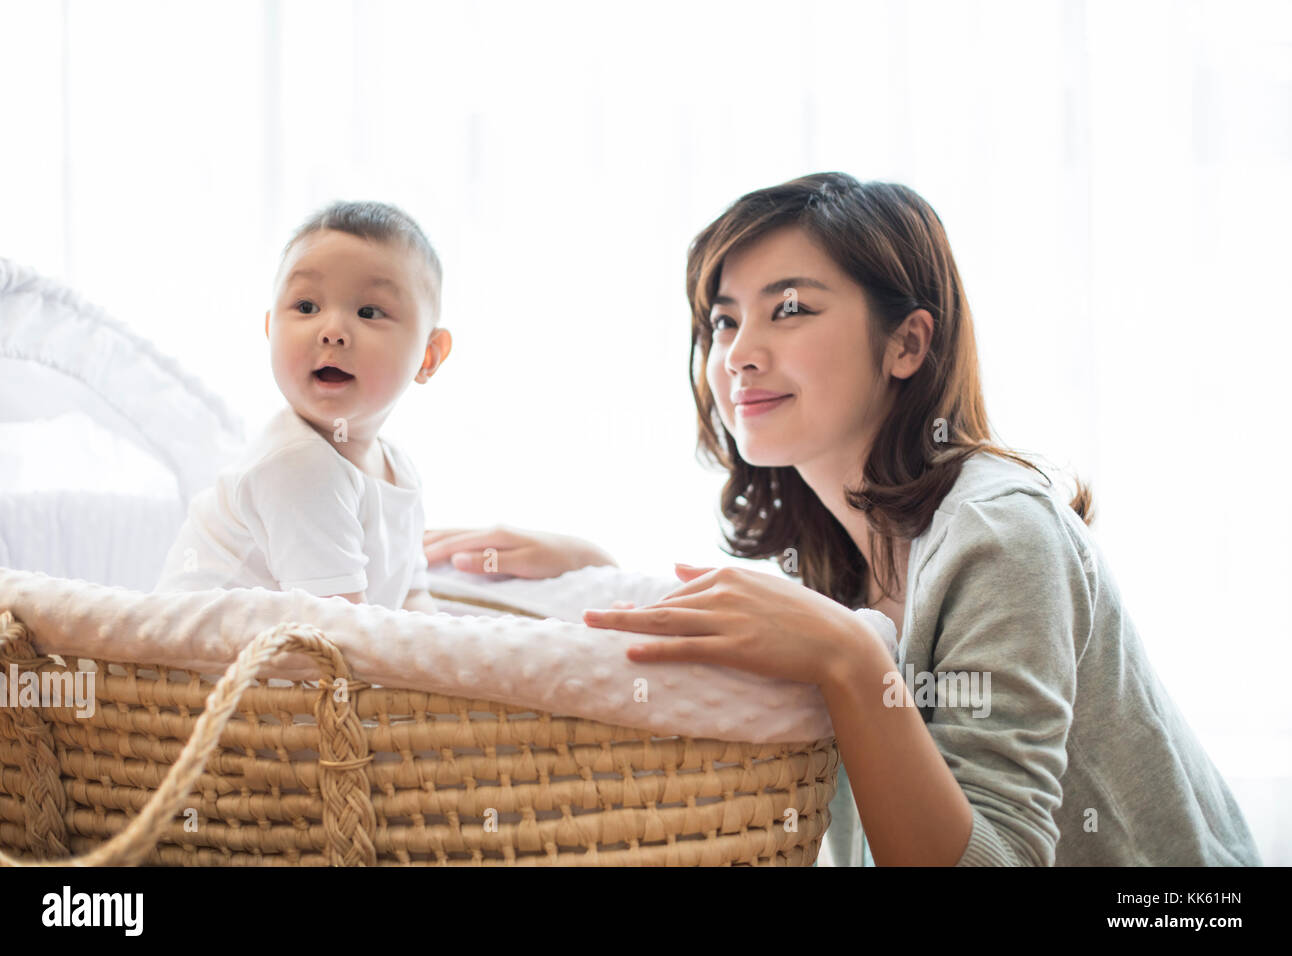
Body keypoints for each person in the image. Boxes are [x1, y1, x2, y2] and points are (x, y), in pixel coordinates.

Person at [419, 173, 1262, 866]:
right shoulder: (835, 562)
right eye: (724, 320)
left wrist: (854, 663)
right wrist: (594, 576)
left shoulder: (1000, 534)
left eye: (789, 308)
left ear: (907, 345)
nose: (739, 351)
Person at [154, 200, 449, 612]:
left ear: (428, 356)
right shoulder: (298, 465)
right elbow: (340, 633)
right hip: (206, 668)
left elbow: (413, 598)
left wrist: (448, 657)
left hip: (303, 665)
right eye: (307, 307)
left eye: (368, 311)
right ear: (271, 328)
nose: (332, 332)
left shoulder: (399, 469)